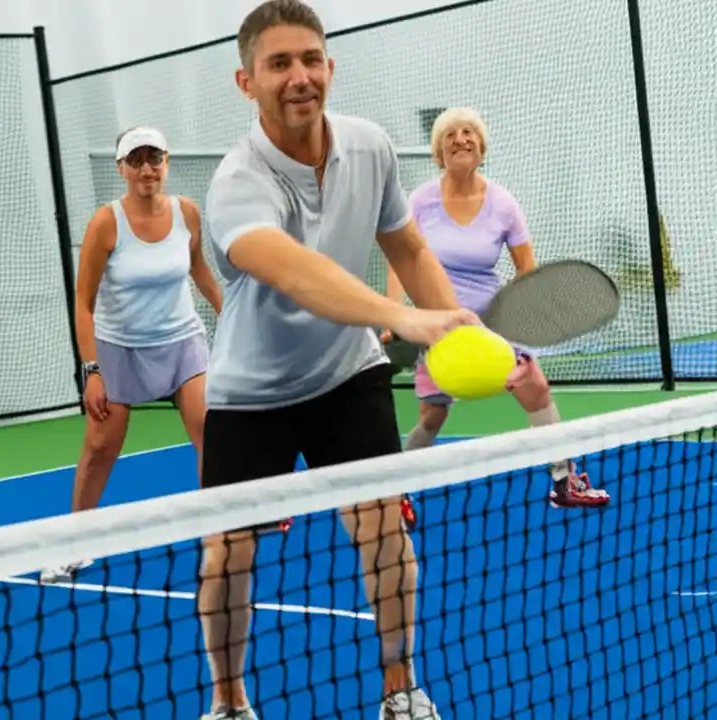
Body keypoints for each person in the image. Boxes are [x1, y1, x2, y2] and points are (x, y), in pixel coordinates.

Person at [194, 2, 478, 718]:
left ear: (330, 67)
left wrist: (454, 331)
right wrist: (401, 317)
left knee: (383, 532)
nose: (299, 77)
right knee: (228, 555)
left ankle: (401, 688)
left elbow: (407, 245)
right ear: (246, 80)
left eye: (311, 60)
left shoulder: (371, 146)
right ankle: (229, 701)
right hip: (250, 392)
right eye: (279, 63)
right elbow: (294, 272)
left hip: (348, 375)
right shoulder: (236, 183)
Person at [383, 107, 609, 508]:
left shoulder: (503, 203)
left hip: (493, 323)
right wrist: (396, 313)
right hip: (439, 327)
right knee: (432, 416)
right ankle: (393, 490)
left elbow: (527, 270)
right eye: (450, 135)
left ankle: (563, 481)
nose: (460, 139)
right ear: (438, 153)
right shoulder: (418, 201)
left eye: (469, 132)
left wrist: (524, 326)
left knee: (536, 389)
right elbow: (400, 258)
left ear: (481, 147)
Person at [40, 126, 222, 584]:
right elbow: (83, 303)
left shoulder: (188, 213)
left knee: (211, 431)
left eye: (154, 158)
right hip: (118, 348)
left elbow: (200, 271)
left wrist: (233, 314)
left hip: (183, 341)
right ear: (121, 168)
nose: (147, 169)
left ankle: (219, 534)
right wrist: (93, 370)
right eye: (136, 160)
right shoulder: (106, 222)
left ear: (166, 162)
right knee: (101, 447)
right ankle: (75, 545)